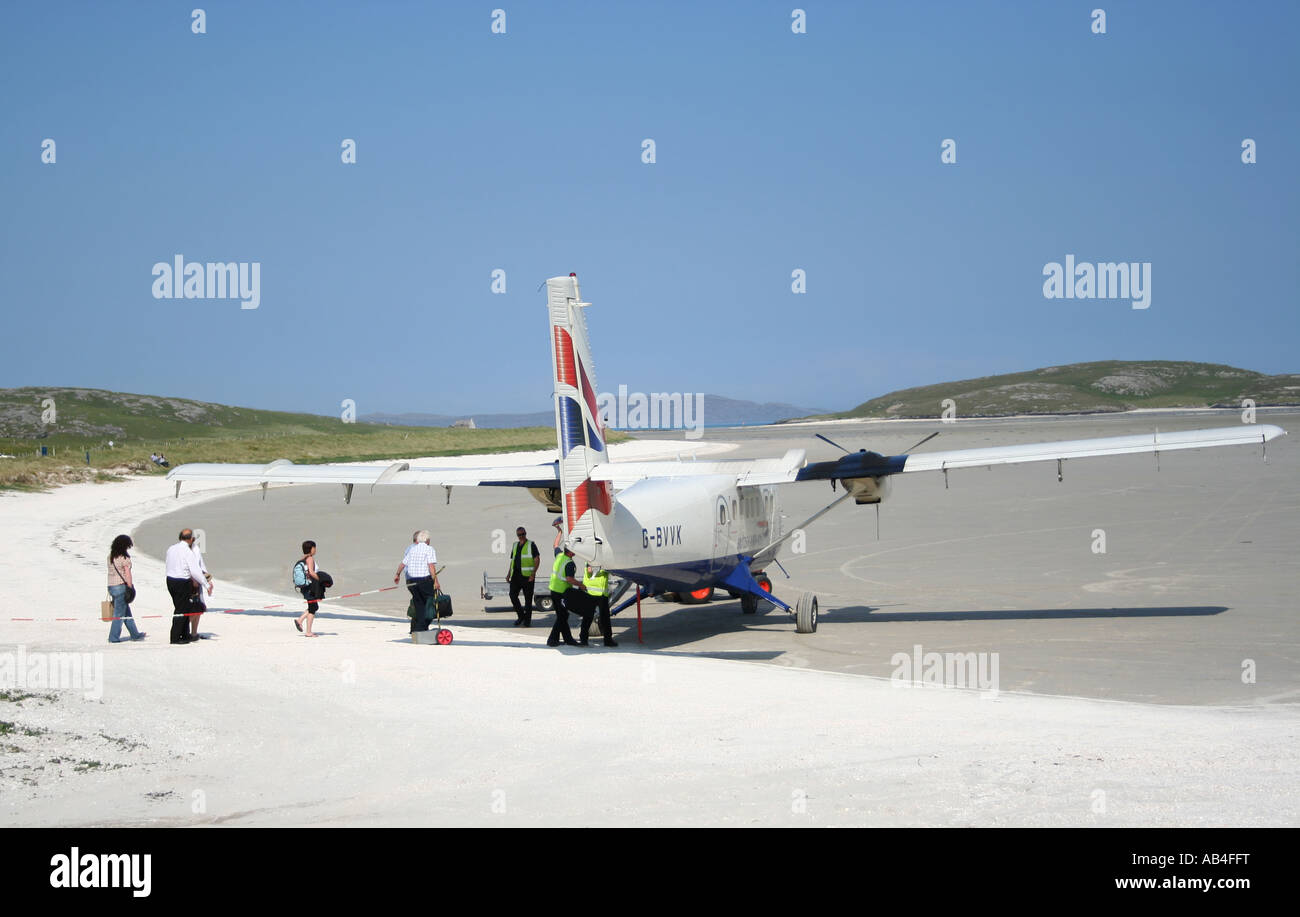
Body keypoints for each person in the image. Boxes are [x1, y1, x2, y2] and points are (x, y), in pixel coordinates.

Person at [164, 529, 209, 644]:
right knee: (181, 610)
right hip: (181, 582)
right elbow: (195, 571)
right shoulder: (187, 551)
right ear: (190, 539)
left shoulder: (171, 548)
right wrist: (206, 584)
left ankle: (184, 634)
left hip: (170, 580)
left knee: (183, 608)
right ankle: (175, 637)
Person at [395, 530, 441, 633]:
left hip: (411, 582)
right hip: (424, 581)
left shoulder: (412, 549)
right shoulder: (429, 549)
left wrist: (397, 574)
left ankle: (416, 629)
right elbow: (431, 566)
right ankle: (421, 628)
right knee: (431, 604)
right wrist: (436, 582)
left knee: (419, 605)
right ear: (427, 540)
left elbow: (403, 564)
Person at [106, 534, 145, 643]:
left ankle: (135, 634)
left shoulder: (110, 557)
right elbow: (127, 574)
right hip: (121, 587)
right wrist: (130, 587)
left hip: (111, 586)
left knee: (126, 612)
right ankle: (113, 637)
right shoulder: (124, 558)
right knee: (119, 614)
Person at [546, 544, 583, 647]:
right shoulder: (569, 563)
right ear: (570, 552)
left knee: (562, 616)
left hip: (554, 590)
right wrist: (581, 585)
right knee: (563, 616)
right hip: (561, 592)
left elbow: (555, 545)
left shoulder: (559, 555)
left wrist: (559, 532)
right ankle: (552, 639)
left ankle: (568, 639)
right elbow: (569, 579)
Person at [507, 526, 540, 627]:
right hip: (516, 576)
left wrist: (533, 574)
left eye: (523, 534)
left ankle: (527, 621)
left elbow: (537, 559)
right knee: (512, 595)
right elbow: (512, 561)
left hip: (527, 576)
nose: (522, 536)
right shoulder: (515, 545)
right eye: (519, 535)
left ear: (526, 534)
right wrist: (508, 574)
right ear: (517, 535)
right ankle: (521, 616)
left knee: (528, 600)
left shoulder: (531, 545)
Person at [578, 563, 617, 647]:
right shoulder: (594, 561)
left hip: (596, 593)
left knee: (590, 617)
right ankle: (607, 640)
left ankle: (584, 640)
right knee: (601, 618)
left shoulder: (593, 560)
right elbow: (589, 571)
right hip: (595, 593)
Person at [188, 534, 213, 640]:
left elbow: (201, 565)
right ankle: (184, 631)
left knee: (199, 608)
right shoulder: (182, 551)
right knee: (192, 609)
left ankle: (194, 633)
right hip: (188, 582)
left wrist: (207, 581)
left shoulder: (195, 549)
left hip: (198, 581)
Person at [294, 540, 321, 637]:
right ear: (312, 548)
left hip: (304, 587)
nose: (315, 550)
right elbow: (311, 572)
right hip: (309, 586)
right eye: (315, 548)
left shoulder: (302, 559)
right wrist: (321, 580)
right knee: (312, 609)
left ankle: (300, 620)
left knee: (314, 607)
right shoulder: (310, 559)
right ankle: (308, 632)